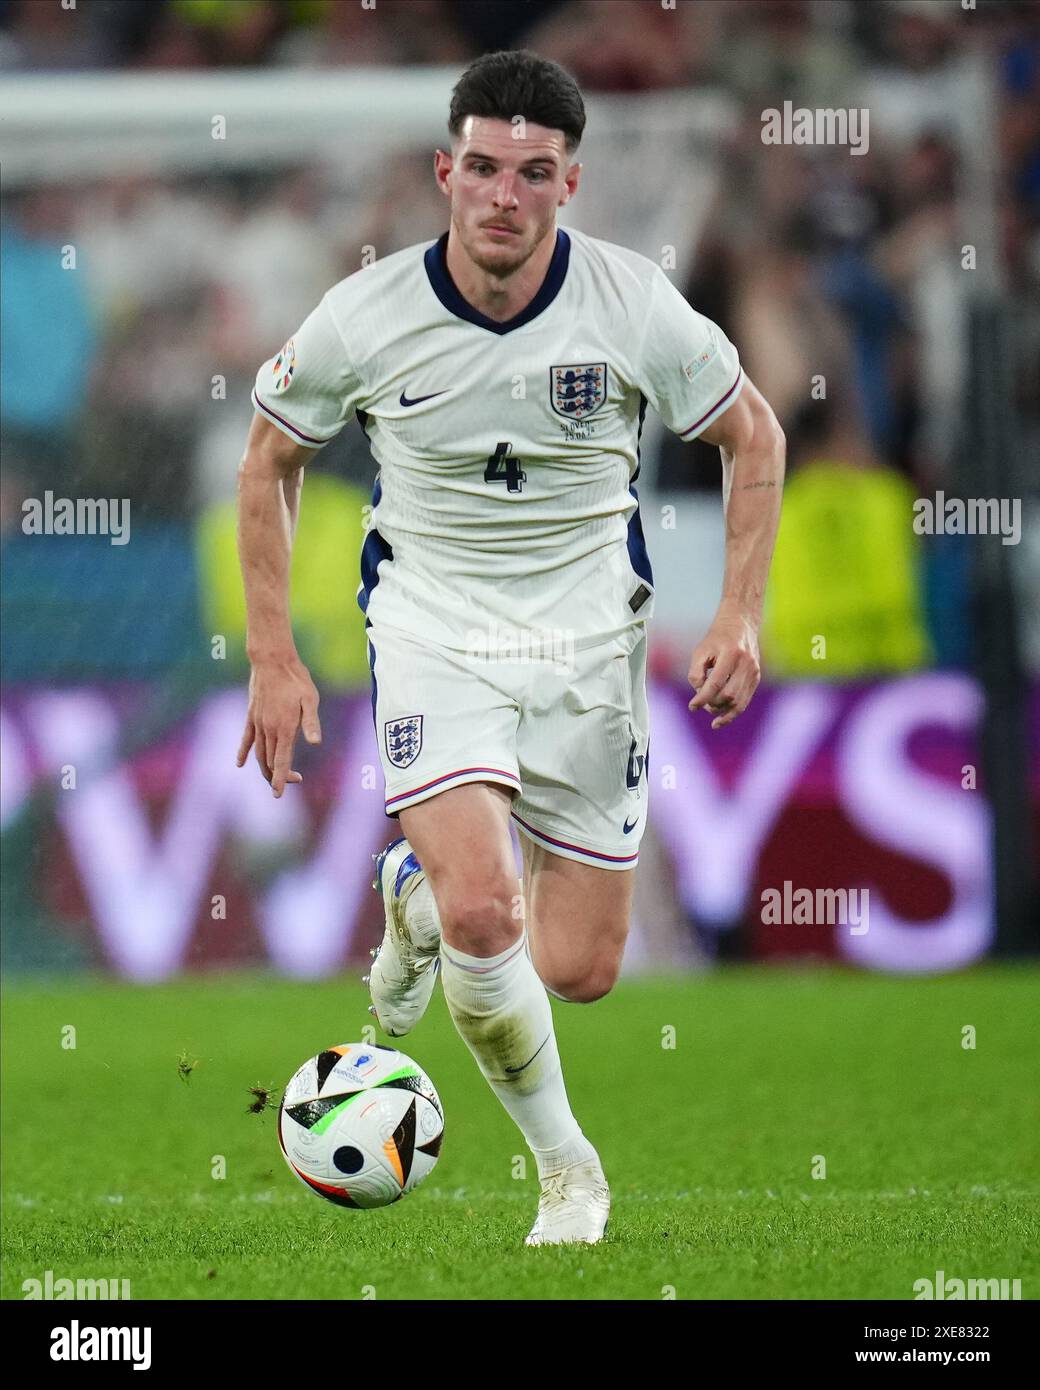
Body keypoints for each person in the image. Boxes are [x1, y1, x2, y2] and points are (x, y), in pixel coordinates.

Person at [236, 49, 785, 1246]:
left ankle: (411, 897)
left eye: (531, 174)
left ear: (568, 186)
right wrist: (271, 654)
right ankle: (567, 1170)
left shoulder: (631, 302)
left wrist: (740, 610)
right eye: (481, 168)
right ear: (444, 172)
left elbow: (754, 436)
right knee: (489, 917)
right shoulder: (367, 313)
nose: (502, 196)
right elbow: (268, 456)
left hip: (590, 648)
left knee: (581, 967)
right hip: (435, 632)